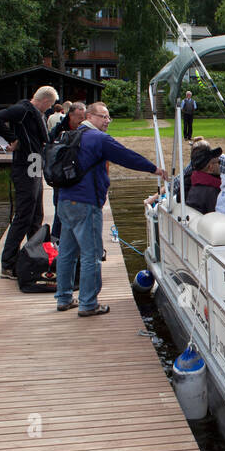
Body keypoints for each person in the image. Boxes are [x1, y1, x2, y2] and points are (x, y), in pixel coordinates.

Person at [54, 102, 167, 317]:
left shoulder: (71, 135)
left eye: (109, 117)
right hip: (86, 203)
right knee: (92, 254)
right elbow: (126, 156)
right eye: (103, 116)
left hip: (65, 201)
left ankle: (64, 297)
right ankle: (88, 303)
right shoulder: (98, 138)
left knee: (67, 252)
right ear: (89, 116)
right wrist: (154, 169)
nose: (107, 121)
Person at [0, 85, 57, 280]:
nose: (49, 108)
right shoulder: (23, 109)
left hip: (34, 163)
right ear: (44, 101)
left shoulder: (36, 114)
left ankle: (32, 257)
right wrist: (12, 139)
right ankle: (8, 264)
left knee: (37, 214)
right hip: (25, 164)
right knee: (24, 215)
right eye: (50, 105)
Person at [49, 102, 86, 242]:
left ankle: (76, 239)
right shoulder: (59, 130)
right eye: (79, 118)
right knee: (60, 206)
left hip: (78, 174)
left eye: (84, 118)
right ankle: (55, 239)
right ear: (70, 115)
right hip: (60, 174)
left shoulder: (85, 130)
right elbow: (50, 149)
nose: (81, 121)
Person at [184, 144, 223, 214]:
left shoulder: (195, 185)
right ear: (211, 167)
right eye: (218, 162)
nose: (220, 165)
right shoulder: (212, 190)